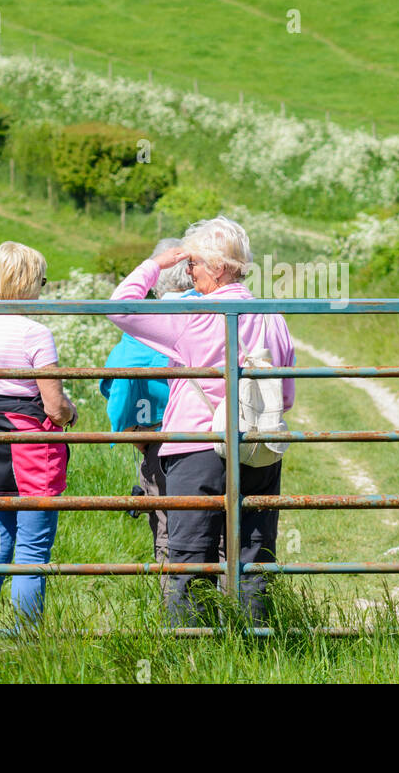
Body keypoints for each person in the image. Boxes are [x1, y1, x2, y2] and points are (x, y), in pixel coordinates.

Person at [107, 216, 295, 626]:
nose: (187, 271)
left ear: (217, 267)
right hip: (257, 447)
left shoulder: (191, 312)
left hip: (195, 448)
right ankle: (255, 648)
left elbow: (120, 307)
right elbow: (286, 395)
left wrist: (155, 264)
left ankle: (193, 652)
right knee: (253, 556)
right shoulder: (271, 316)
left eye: (192, 263)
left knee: (191, 558)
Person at [98, 238, 221, 601]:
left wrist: (131, 429)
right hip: (217, 432)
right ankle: (226, 609)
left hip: (160, 442)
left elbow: (118, 383)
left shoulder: (147, 325)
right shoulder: (216, 311)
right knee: (223, 526)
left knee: (172, 529)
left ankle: (180, 610)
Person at [0, 241, 76, 629]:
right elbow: (54, 406)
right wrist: (71, 411)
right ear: (30, 282)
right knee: (32, 549)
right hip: (28, 449)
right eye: (42, 279)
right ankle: (26, 639)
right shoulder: (35, 333)